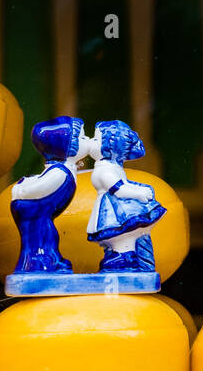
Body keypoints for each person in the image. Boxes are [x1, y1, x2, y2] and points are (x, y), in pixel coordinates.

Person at [9, 116, 94, 274]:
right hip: (33, 212)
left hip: (41, 212)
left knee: (48, 235)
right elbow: (38, 187)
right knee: (40, 237)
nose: (88, 139)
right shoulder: (59, 173)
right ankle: (37, 265)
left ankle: (49, 260)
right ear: (66, 147)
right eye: (82, 137)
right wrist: (21, 189)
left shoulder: (63, 169)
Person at [86, 120, 167, 273]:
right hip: (113, 209)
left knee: (123, 236)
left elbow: (120, 188)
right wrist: (138, 192)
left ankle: (125, 256)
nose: (91, 141)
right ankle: (118, 254)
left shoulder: (108, 169)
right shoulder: (105, 170)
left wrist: (138, 190)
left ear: (110, 149)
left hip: (117, 212)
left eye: (96, 139)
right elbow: (119, 189)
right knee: (119, 235)